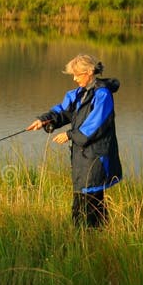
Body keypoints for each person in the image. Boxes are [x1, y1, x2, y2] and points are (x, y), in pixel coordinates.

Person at [26, 53, 122, 227]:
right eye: (73, 75)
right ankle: (85, 235)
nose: (75, 79)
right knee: (81, 197)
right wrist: (43, 120)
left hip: (96, 156)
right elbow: (62, 112)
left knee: (91, 199)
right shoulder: (78, 94)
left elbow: (95, 126)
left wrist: (69, 135)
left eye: (78, 75)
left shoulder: (103, 95)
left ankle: (91, 235)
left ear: (90, 72)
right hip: (81, 156)